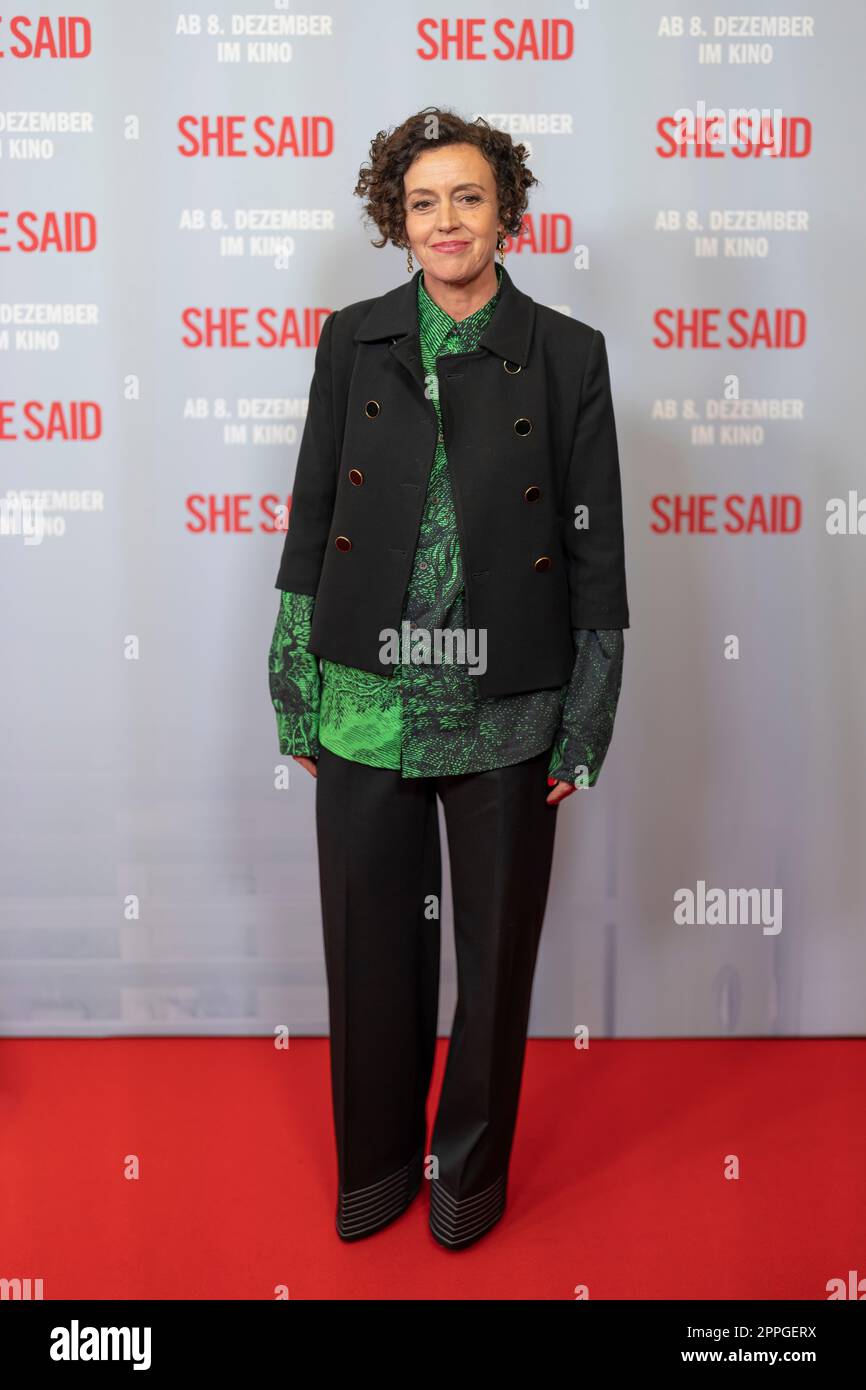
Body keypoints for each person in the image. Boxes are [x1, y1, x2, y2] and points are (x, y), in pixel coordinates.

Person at [268, 107, 629, 1251]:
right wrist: (294, 681)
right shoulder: (354, 338)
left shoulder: (566, 351)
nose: (444, 221)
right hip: (366, 693)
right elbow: (313, 514)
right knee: (369, 953)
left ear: (504, 209)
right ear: (395, 218)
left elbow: (594, 551)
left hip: (508, 701)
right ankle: (372, 1170)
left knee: (492, 962)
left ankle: (465, 1179)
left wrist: (585, 717)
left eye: (465, 197)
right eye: (421, 202)